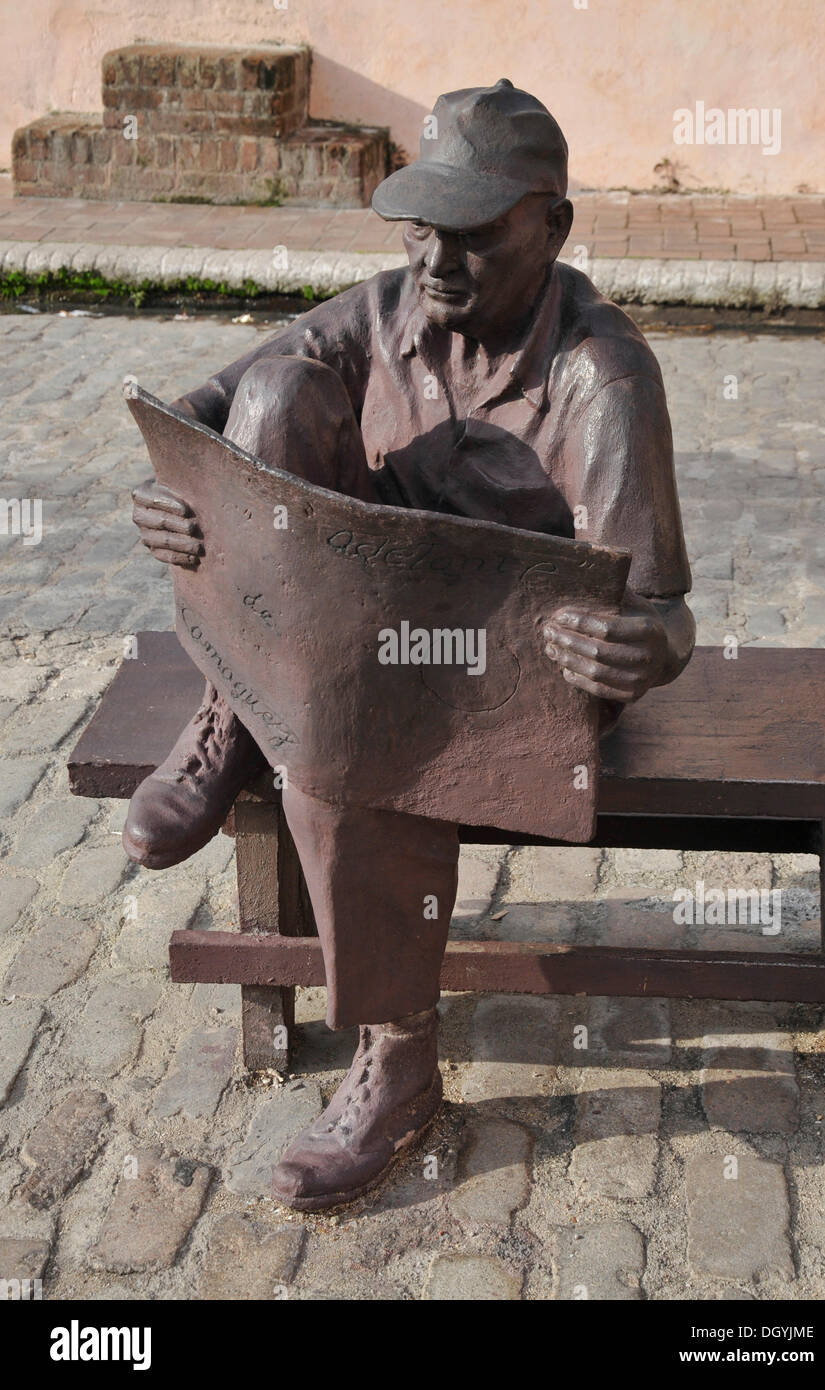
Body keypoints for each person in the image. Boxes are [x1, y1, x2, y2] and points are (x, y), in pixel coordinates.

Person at [124, 79, 694, 1211]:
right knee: (279, 396)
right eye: (420, 229)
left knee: (348, 754)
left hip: (505, 672)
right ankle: (237, 705)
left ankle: (401, 1061)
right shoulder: (383, 310)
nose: (436, 263)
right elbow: (200, 415)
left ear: (553, 225)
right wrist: (178, 493)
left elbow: (667, 614)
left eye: (475, 236)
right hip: (355, 618)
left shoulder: (602, 377)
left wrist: (639, 647)